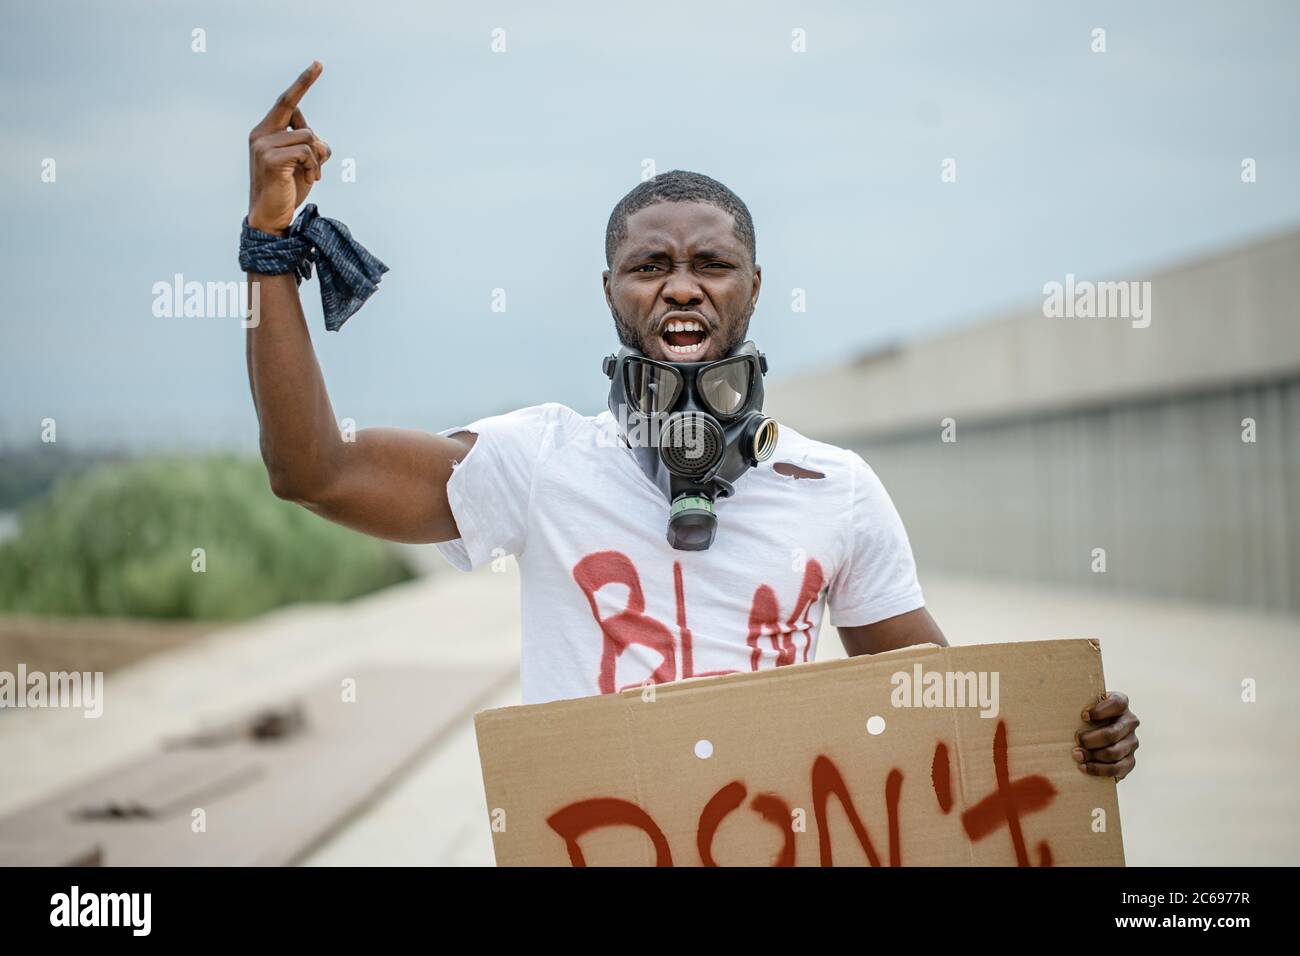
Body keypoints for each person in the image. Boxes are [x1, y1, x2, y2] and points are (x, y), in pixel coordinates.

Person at [243, 62, 1140, 780]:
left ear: (753, 288)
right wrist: (271, 243)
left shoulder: (837, 489)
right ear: (609, 291)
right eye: (650, 266)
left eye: (712, 263)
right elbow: (311, 471)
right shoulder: (538, 463)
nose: (681, 283)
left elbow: (940, 705)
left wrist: (1069, 739)